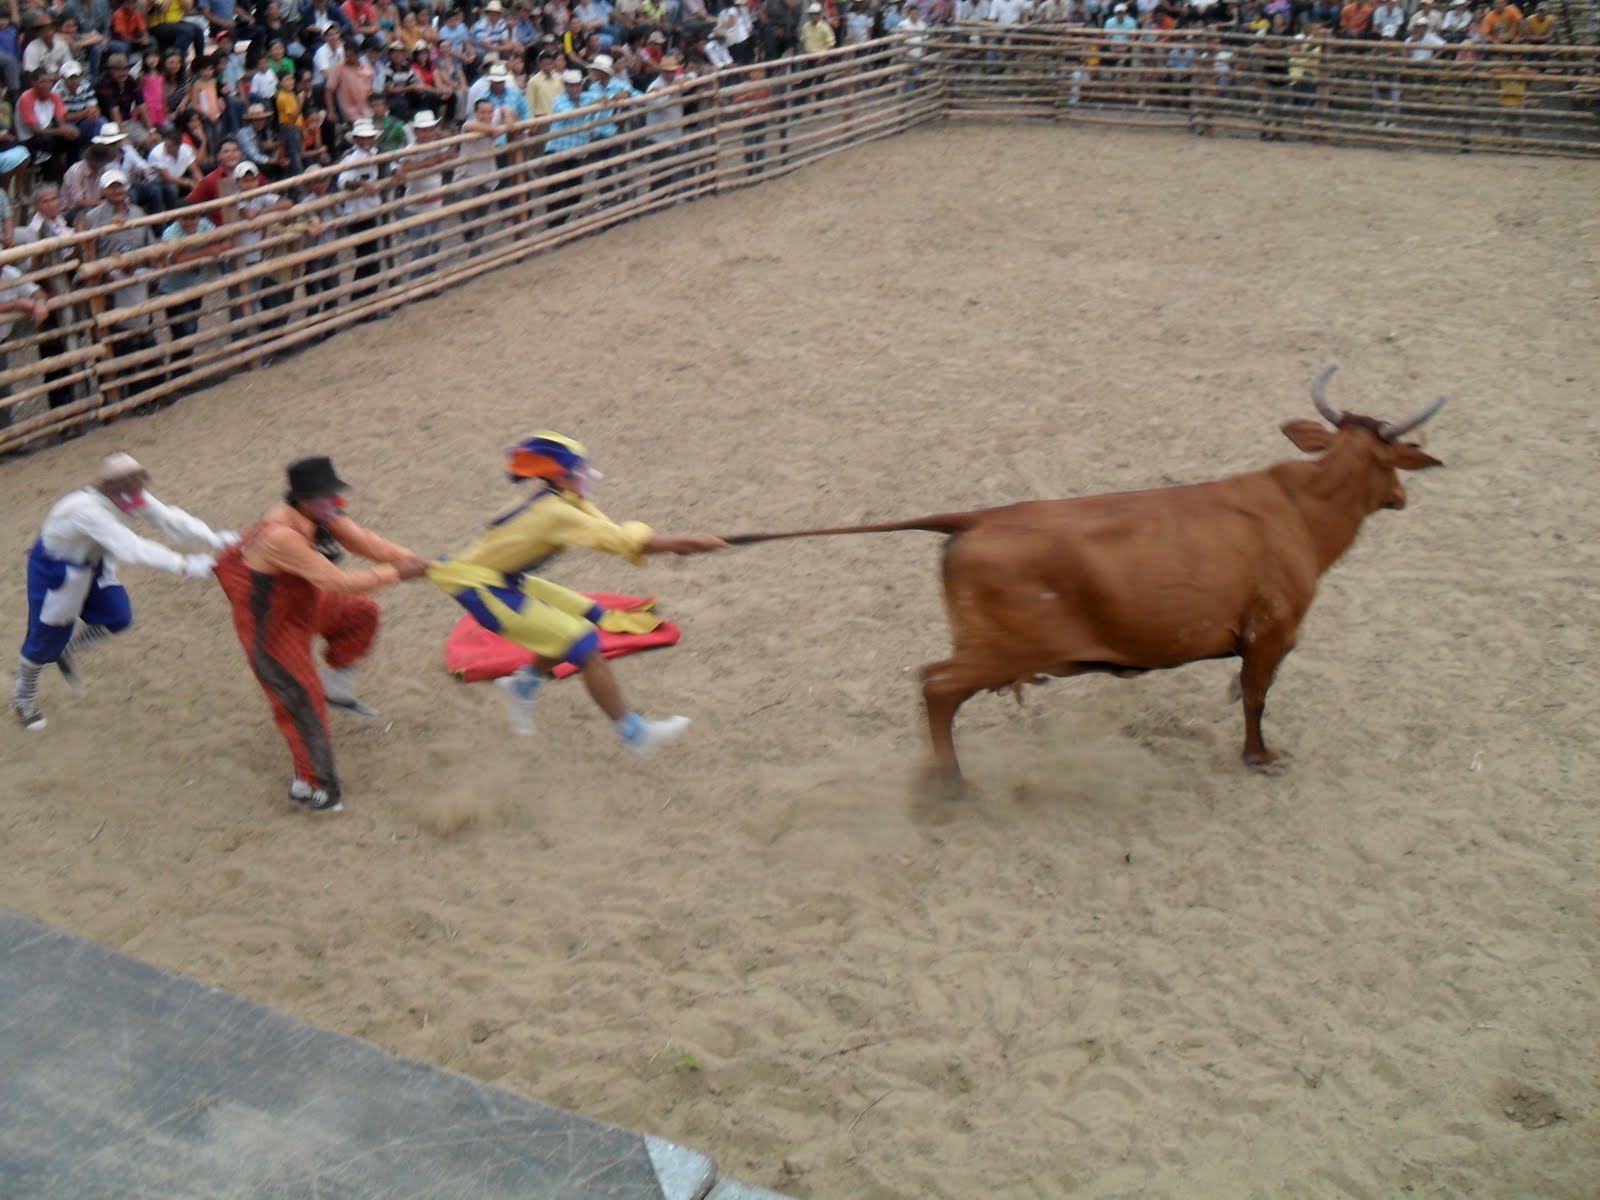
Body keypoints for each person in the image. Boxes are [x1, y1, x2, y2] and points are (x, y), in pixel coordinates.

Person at [426, 433, 725, 751]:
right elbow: (622, 542)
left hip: (504, 579)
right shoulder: (556, 512)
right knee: (584, 645)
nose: (588, 474)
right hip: (482, 587)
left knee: (583, 613)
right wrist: (685, 542)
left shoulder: (564, 498)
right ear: (560, 475)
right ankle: (635, 734)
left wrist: (675, 544)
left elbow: (616, 534)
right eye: (581, 469)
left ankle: (523, 684)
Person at [215, 457, 429, 813]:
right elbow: (337, 582)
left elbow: (365, 542)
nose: (334, 502)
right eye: (326, 496)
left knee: (361, 616)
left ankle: (336, 688)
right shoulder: (280, 535)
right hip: (271, 623)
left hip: (304, 600)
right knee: (302, 701)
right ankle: (312, 785)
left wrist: (412, 560)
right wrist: (397, 572)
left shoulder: (319, 514)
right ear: (304, 500)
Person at [11, 452, 228, 731]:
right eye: (129, 482)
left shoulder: (131, 496)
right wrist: (183, 565)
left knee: (117, 616)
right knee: (44, 637)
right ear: (111, 487)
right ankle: (24, 697)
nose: (138, 489)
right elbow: (131, 546)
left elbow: (168, 518)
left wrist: (213, 538)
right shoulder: (86, 510)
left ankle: (68, 650)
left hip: (95, 563)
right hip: (55, 570)